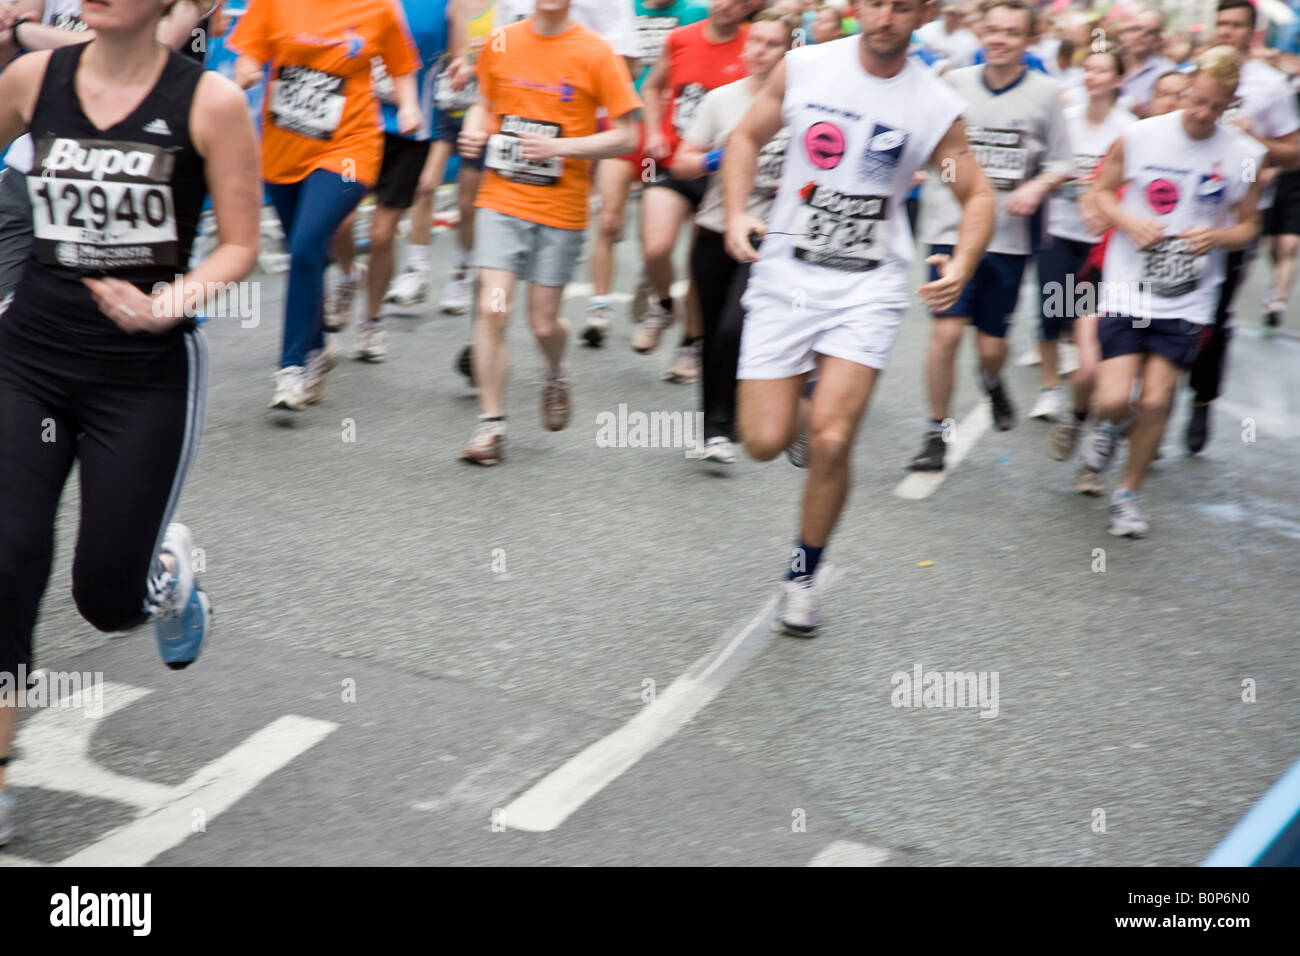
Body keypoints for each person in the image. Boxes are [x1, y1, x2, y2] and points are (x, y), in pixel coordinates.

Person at [0, 0, 260, 848]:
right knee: (6, 562)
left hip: (140, 376)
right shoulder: (33, 81)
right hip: (28, 356)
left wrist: (168, 306)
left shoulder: (210, 102)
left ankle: (166, 574)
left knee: (106, 601)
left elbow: (239, 246)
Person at [724, 0, 994, 635]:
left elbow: (976, 192)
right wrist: (738, 212)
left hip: (866, 290)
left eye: (902, 7)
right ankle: (806, 400)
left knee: (834, 439)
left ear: (923, 14)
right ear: (855, 8)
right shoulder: (805, 67)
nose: (886, 18)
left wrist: (962, 260)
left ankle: (801, 577)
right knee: (763, 442)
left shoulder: (932, 105)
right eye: (876, 4)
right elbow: (744, 137)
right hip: (787, 276)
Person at [1088, 46, 1263, 537]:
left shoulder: (1245, 157)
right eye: (1197, 100)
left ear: (1232, 102)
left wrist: (1218, 237)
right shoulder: (1142, 136)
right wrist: (1128, 220)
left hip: (1188, 296)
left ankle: (1127, 496)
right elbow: (1101, 191)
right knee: (1114, 398)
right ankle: (1108, 425)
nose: (1204, 114)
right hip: (1128, 287)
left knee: (1158, 401)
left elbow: (1250, 226)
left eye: (1216, 106)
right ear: (1187, 88)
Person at [455, 0, 640, 465]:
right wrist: (475, 132)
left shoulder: (596, 52)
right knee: (492, 308)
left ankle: (555, 367)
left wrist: (562, 146)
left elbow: (626, 136)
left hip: (561, 208)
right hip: (501, 199)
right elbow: (483, 103)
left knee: (542, 322)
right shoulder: (501, 41)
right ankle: (491, 425)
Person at [228, 0, 422, 411]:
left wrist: (408, 105)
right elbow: (249, 52)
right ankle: (316, 347)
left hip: (349, 149)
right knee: (306, 253)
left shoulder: (379, 9)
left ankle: (291, 367)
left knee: (306, 243)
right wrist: (246, 70)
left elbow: (402, 63)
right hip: (283, 150)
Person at [909, 0, 1071, 472]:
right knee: (945, 333)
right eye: (993, 30)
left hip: (1007, 238)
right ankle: (935, 433)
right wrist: (929, 169)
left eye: (1011, 33)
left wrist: (1037, 186)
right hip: (949, 229)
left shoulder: (1045, 94)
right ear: (982, 33)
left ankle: (992, 380)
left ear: (1029, 40)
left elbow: (1063, 161)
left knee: (990, 346)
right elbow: (928, 144)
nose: (999, 39)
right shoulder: (954, 84)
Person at [0, 0, 224, 302]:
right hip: (33, 178)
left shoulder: (217, 101)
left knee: (109, 320)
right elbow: (8, 36)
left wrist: (23, 32)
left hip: (130, 186)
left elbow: (149, 44)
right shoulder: (28, 73)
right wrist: (10, 26)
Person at [672, 9, 794, 466]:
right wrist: (724, 156)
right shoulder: (720, 100)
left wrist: (798, 185)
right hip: (715, 227)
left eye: (769, 44)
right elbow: (681, 163)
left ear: (788, 52)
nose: (757, 51)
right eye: (754, 41)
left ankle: (729, 418)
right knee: (712, 331)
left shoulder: (799, 106)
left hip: (769, 234)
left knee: (734, 325)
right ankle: (713, 428)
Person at [1184, 0, 1300, 453]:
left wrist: (1258, 143)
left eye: (1236, 25)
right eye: (1222, 23)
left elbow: (1294, 153)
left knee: (1214, 317)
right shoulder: (1194, 70)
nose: (1226, 31)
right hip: (1178, 217)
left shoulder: (1269, 86)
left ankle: (1201, 403)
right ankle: (1145, 405)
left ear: (1251, 33)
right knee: (1157, 312)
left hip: (1236, 222)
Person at [632, 0, 749, 384]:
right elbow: (651, 86)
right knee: (655, 247)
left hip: (722, 174)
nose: (727, 5)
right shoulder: (679, 37)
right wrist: (651, 130)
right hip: (672, 158)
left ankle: (690, 345)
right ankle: (664, 305)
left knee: (700, 267)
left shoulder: (754, 46)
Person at [580, 0, 708, 348]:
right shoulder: (621, 10)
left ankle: (648, 275)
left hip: (660, 139)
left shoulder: (695, 13)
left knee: (650, 222)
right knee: (608, 219)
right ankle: (599, 309)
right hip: (622, 127)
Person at [326, 0, 448, 363]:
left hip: (409, 134)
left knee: (381, 235)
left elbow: (462, 59)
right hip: (356, 127)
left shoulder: (441, 7)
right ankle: (349, 275)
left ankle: (372, 322)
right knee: (339, 220)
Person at [1030, 48, 1134, 423]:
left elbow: (1130, 185)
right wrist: (1072, 186)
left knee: (1083, 318)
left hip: (1101, 242)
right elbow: (1044, 167)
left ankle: (1082, 384)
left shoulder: (1128, 127)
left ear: (1118, 79)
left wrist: (1099, 201)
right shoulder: (1066, 120)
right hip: (1059, 229)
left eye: (1103, 70)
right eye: (1088, 69)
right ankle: (1050, 390)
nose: (1093, 76)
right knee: (1048, 314)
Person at [1118, 6, 1174, 117]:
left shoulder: (1166, 71)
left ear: (1158, 38)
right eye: (1136, 29)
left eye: (1150, 32)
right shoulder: (1111, 61)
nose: (1140, 36)